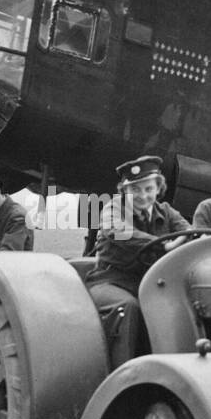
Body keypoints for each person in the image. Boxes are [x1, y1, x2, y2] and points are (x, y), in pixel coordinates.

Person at [85, 156, 191, 365]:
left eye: (149, 189)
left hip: (152, 283)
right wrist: (162, 244)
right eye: (136, 190)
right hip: (110, 281)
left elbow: (189, 230)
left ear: (158, 189)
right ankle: (122, 372)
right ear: (124, 191)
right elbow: (116, 230)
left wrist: (186, 238)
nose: (143, 196)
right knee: (128, 307)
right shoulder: (113, 209)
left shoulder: (166, 211)